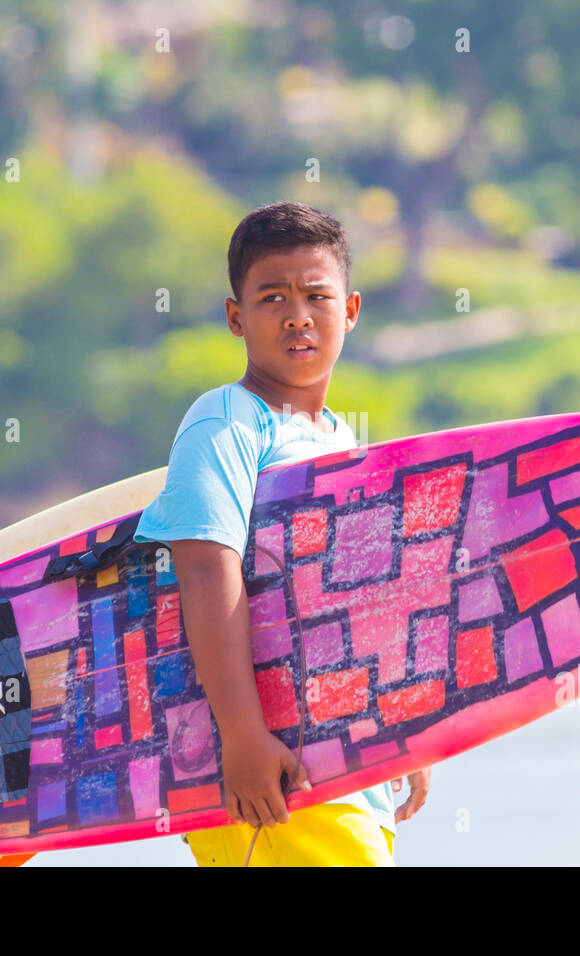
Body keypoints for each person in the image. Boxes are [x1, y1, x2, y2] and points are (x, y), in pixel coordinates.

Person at [134, 201, 430, 866]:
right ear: (236, 317)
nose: (297, 314)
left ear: (350, 311)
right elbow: (206, 570)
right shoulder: (228, 422)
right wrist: (241, 734)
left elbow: (359, 605)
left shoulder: (337, 438)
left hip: (341, 769)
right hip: (275, 774)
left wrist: (401, 732)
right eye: (272, 297)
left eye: (316, 296)